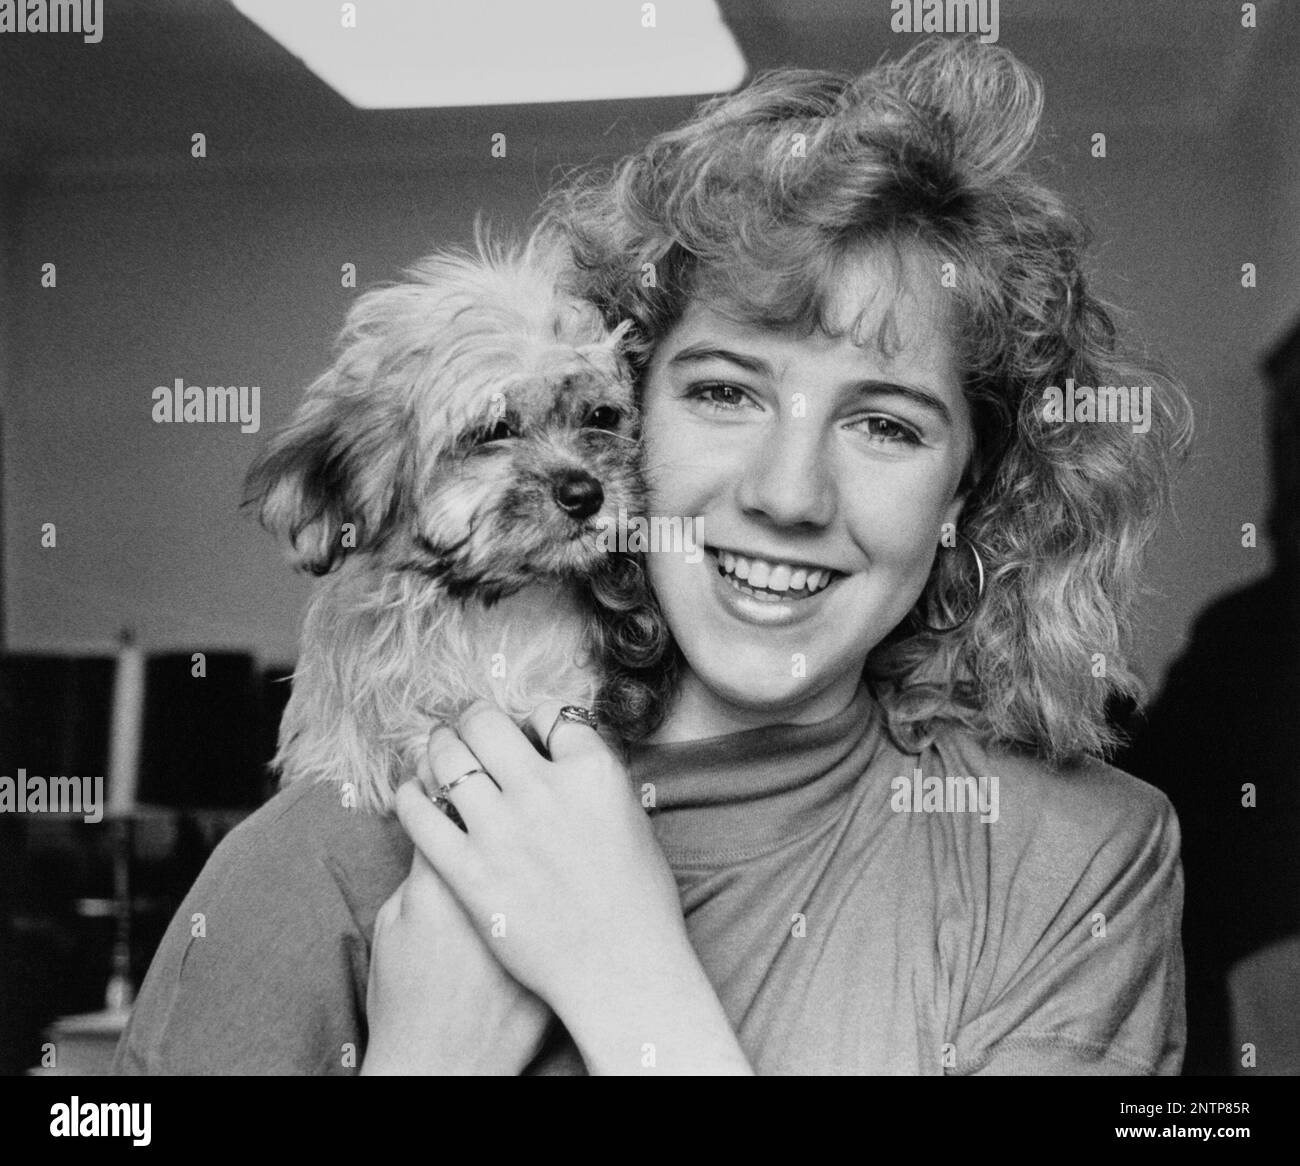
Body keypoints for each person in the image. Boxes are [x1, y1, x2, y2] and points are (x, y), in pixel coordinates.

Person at [113, 38, 1191, 1076]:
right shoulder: (323, 857)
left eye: (887, 424)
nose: (786, 493)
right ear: (630, 405)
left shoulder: (1079, 862)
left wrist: (631, 988)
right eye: (724, 391)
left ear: (969, 482)